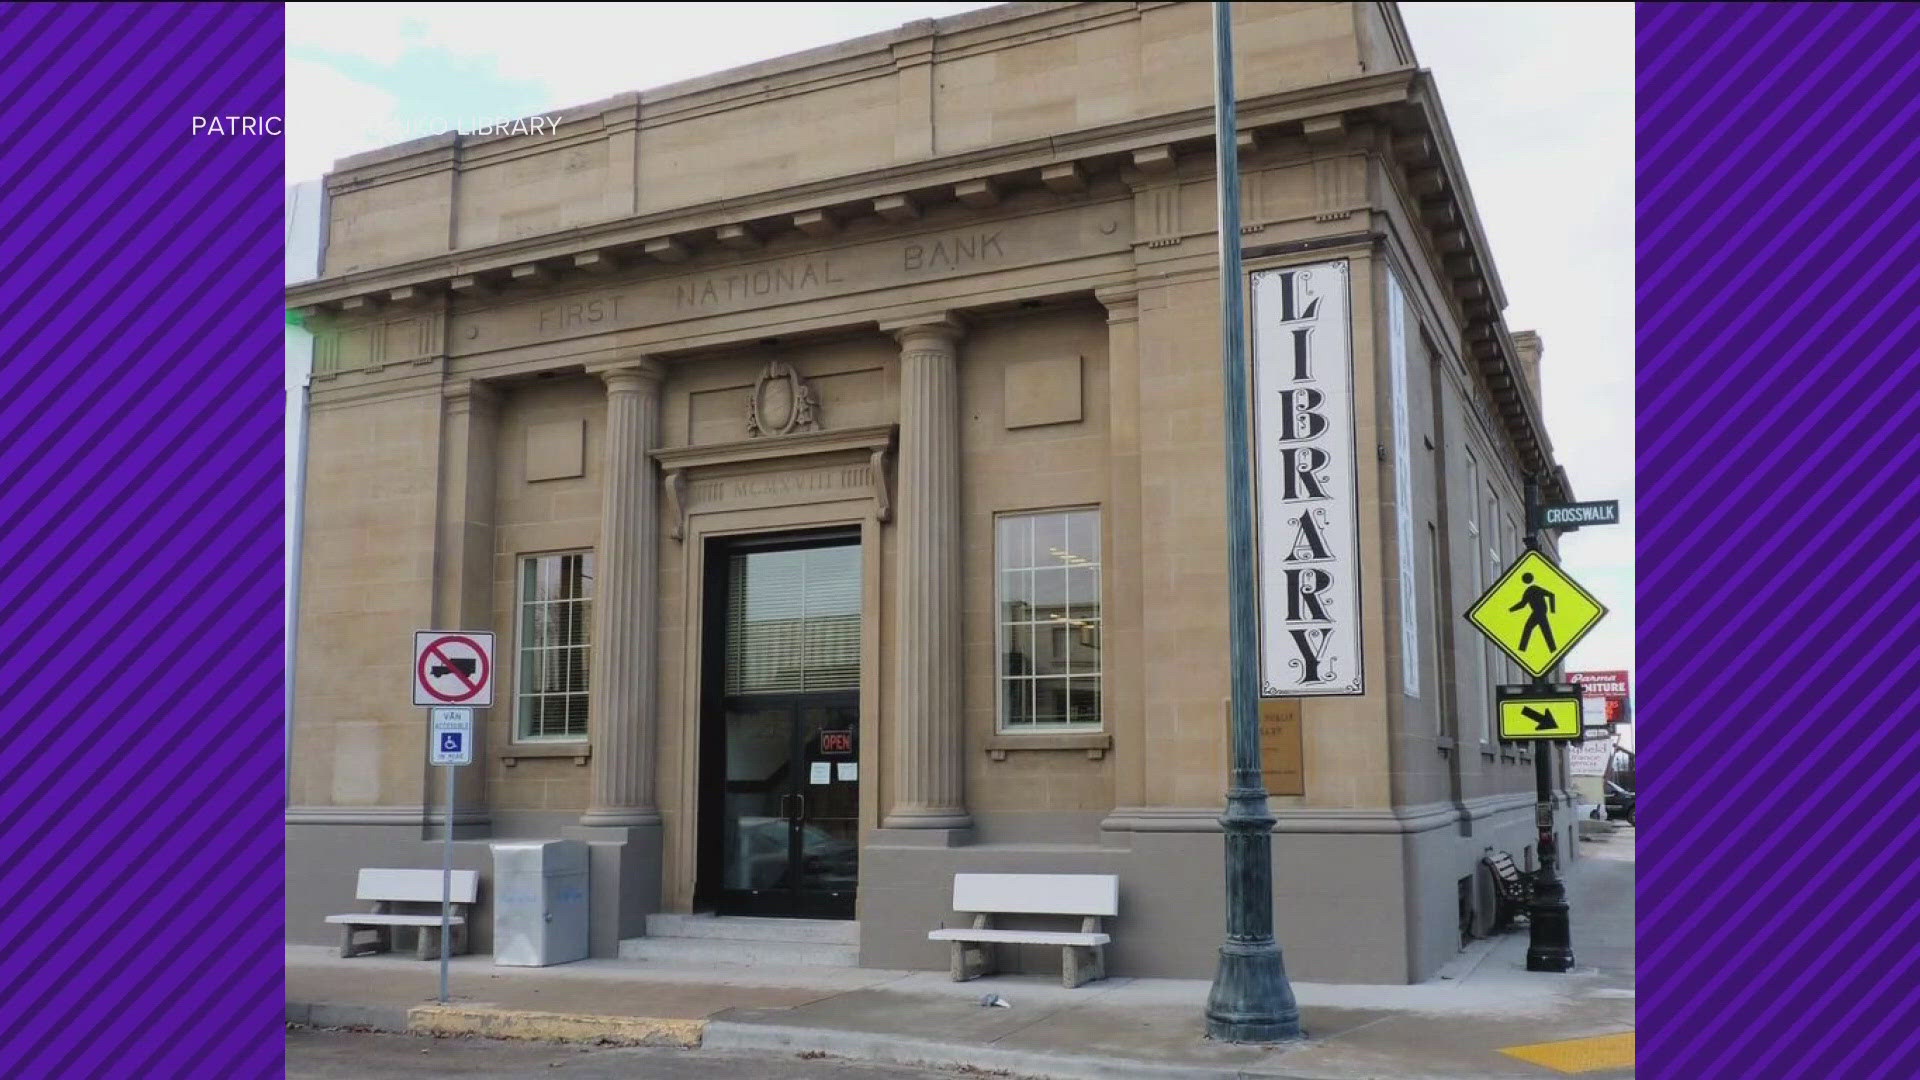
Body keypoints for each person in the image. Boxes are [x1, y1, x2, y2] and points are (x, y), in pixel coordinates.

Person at [1510, 572, 1557, 652]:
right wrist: (1511, 610)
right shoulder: (1530, 590)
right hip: (1538, 612)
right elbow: (1522, 604)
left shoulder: (1533, 589)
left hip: (1539, 612)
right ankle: (1552, 649)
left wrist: (1552, 610)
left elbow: (1551, 595)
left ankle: (1522, 649)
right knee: (1543, 630)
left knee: (1533, 629)